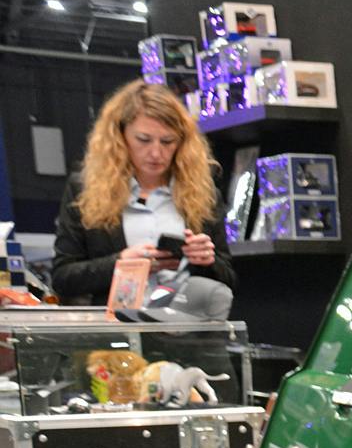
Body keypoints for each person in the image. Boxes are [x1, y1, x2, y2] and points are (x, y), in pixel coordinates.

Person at [52, 80, 234, 310]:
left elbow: (228, 280)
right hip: (118, 326)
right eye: (143, 140)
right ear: (120, 137)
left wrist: (207, 261)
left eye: (167, 141)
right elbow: (62, 278)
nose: (156, 152)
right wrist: (119, 263)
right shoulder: (85, 190)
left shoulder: (203, 193)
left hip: (187, 324)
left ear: (182, 143)